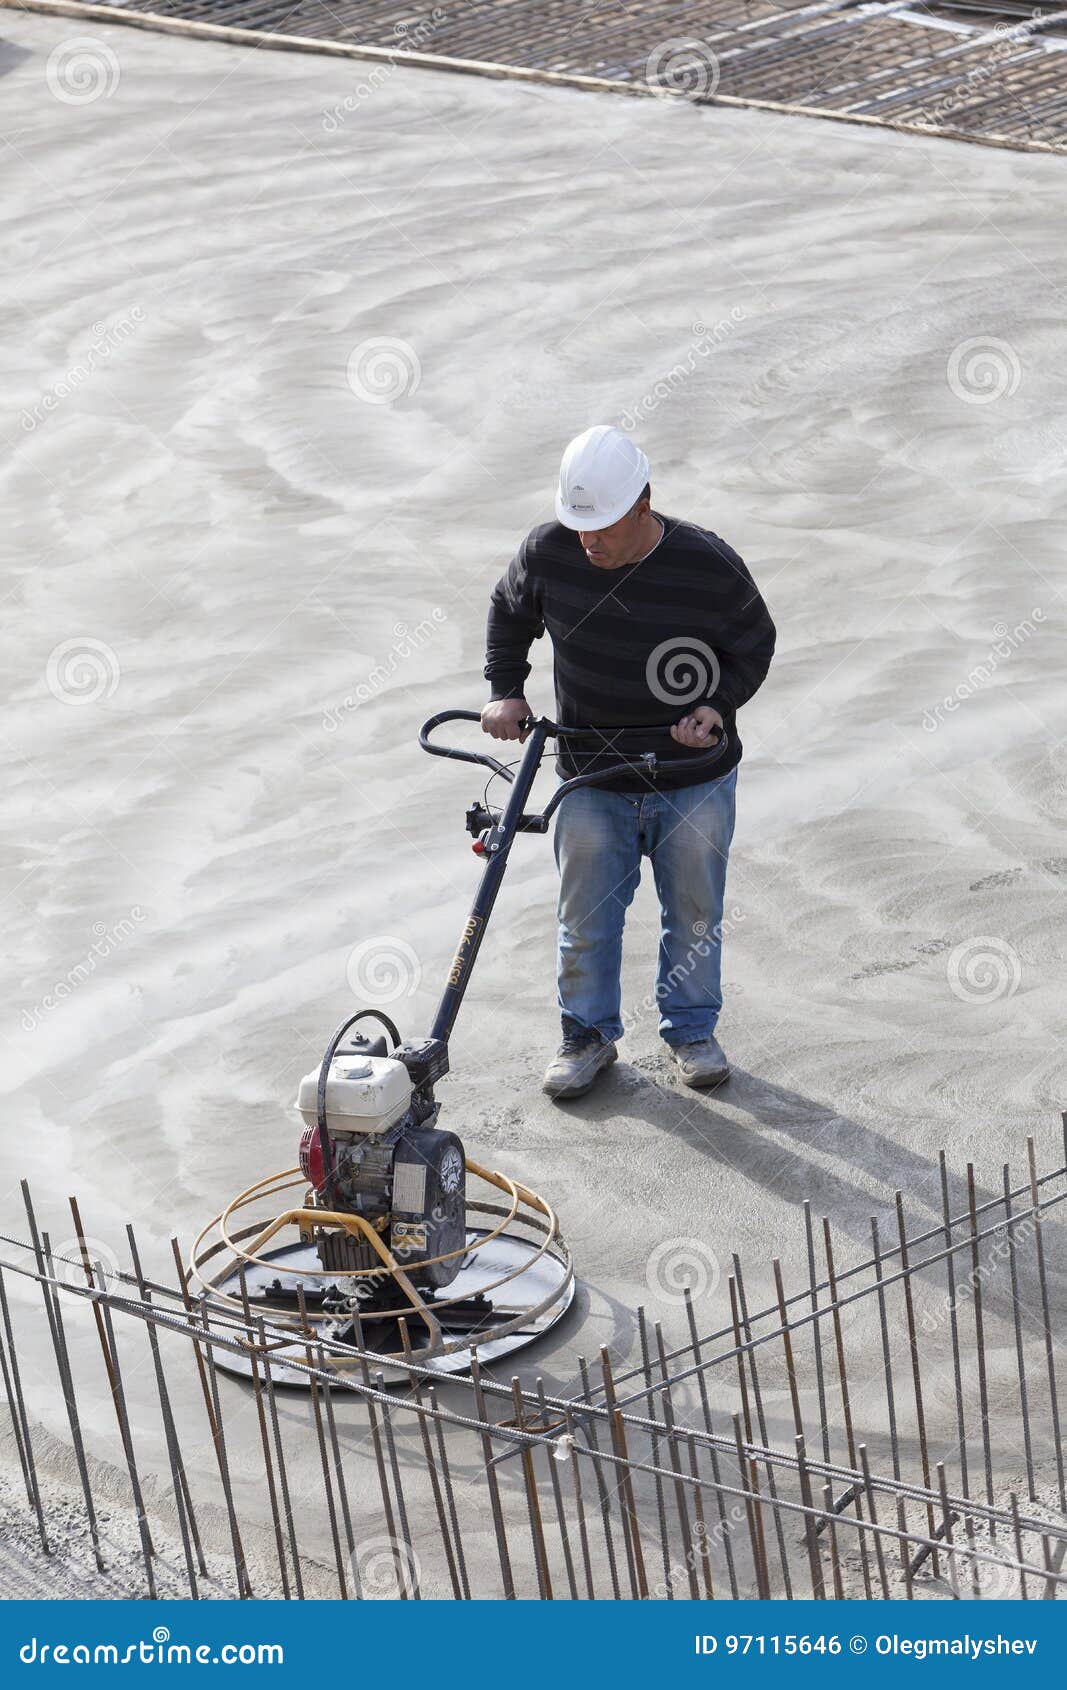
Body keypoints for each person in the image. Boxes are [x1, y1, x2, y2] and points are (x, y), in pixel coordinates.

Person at [482, 425, 775, 1100]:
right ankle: (585, 1038)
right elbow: (508, 611)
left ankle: (691, 1033)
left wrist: (717, 706)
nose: (588, 542)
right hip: (588, 774)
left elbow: (752, 644)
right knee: (583, 917)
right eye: (578, 526)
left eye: (603, 528)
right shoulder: (548, 550)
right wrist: (504, 689)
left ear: (642, 504)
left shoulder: (705, 562)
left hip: (692, 779)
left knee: (695, 913)